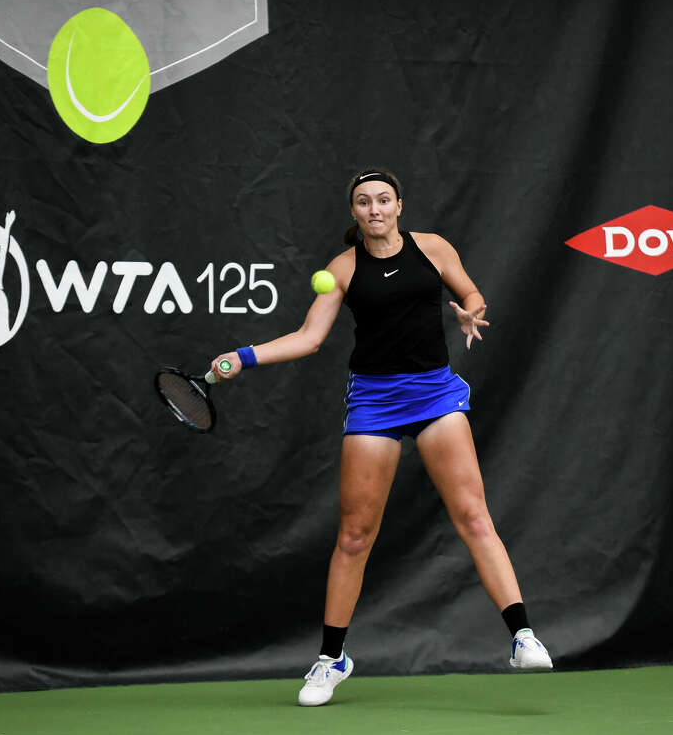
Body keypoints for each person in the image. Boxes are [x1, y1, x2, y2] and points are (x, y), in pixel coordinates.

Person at [210, 168, 552, 707]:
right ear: (354, 213)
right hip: (375, 401)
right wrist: (243, 357)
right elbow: (309, 337)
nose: (374, 209)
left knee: (474, 517)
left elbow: (471, 293)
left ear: (399, 206)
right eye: (364, 202)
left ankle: (522, 636)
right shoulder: (343, 269)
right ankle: (332, 660)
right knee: (354, 535)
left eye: (383, 200)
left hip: (437, 393)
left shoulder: (434, 248)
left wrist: (471, 311)